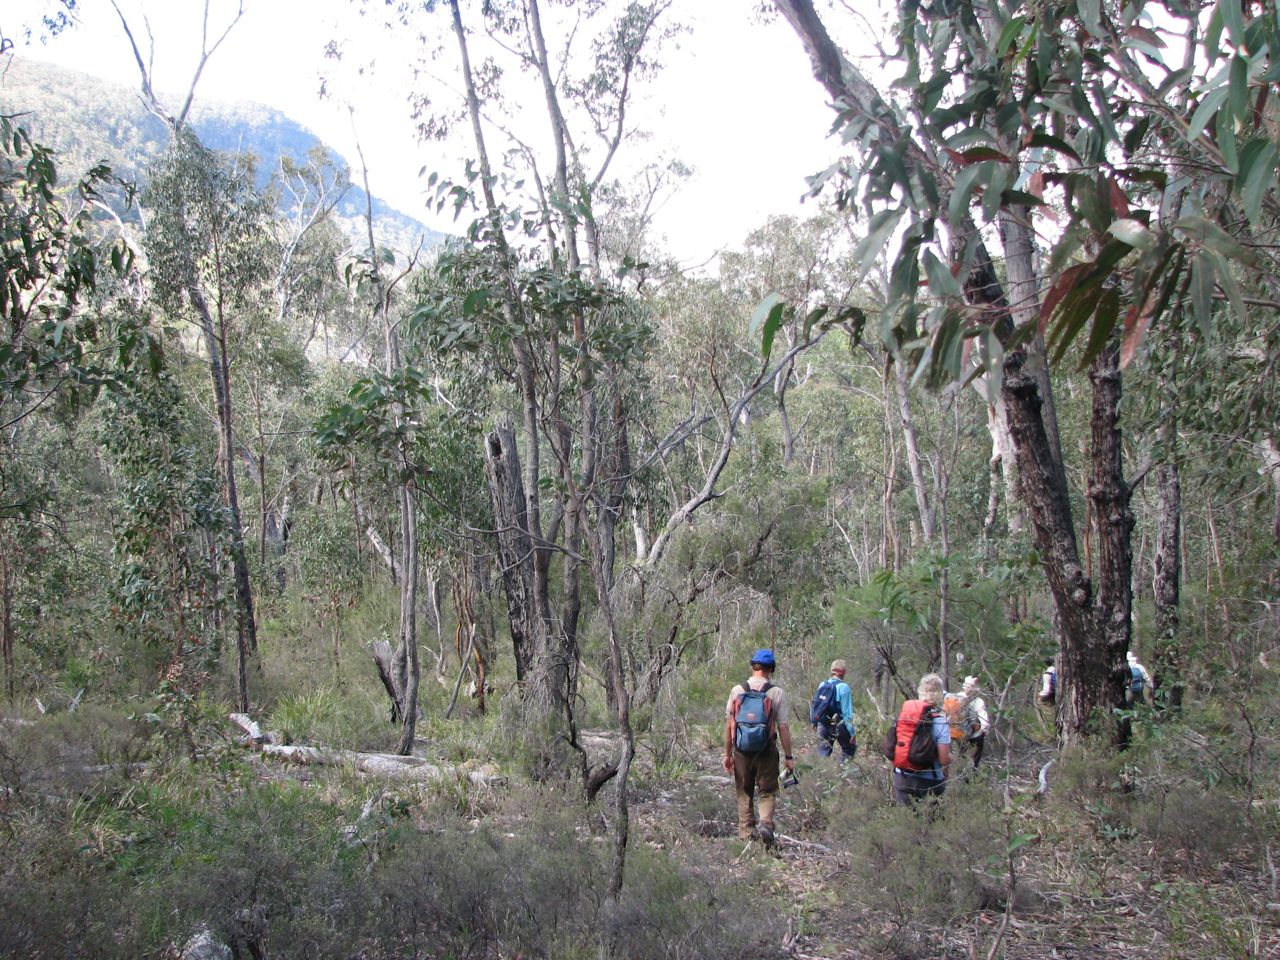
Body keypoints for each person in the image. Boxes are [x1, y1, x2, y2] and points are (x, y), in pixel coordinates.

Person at [723, 648, 795, 844]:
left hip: (741, 751)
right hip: (767, 750)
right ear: (771, 669)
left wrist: (727, 754)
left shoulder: (737, 690)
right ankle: (765, 823)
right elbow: (783, 727)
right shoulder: (776, 692)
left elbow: (730, 725)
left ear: (753, 666)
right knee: (768, 791)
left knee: (744, 791)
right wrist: (789, 757)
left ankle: (746, 835)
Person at [889, 672, 951, 805]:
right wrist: (953, 759)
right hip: (930, 782)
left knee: (905, 822)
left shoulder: (903, 715)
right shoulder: (940, 722)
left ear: (920, 692)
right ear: (939, 694)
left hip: (902, 778)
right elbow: (944, 759)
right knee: (932, 823)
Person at [810, 659, 856, 765]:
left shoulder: (822, 685)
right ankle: (841, 773)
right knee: (849, 750)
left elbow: (815, 705)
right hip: (838, 724)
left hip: (823, 723)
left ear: (832, 671)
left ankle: (822, 777)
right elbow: (847, 713)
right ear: (844, 672)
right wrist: (852, 732)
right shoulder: (844, 688)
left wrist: (814, 721)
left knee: (823, 753)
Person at [961, 675, 990, 768]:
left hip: (958, 735)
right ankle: (972, 775)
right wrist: (984, 731)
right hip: (975, 735)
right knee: (974, 759)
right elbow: (985, 722)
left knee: (962, 758)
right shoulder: (978, 701)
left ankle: (961, 774)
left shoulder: (956, 697)